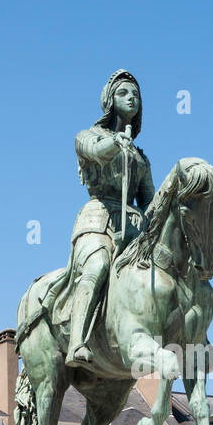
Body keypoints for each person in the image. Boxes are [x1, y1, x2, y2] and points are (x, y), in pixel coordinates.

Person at [65, 70, 154, 368]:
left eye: (136, 95)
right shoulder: (87, 137)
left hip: (133, 230)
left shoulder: (141, 159)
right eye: (124, 93)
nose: (132, 98)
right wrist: (116, 143)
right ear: (110, 101)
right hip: (98, 220)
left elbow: (149, 204)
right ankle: (77, 341)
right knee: (98, 265)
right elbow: (96, 152)